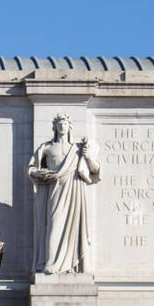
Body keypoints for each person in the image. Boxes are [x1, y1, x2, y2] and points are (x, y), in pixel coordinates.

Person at [28, 113, 101, 274]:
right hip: (54, 189)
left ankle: (71, 266)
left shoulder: (78, 148)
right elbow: (32, 169)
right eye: (59, 124)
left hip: (74, 189)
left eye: (65, 124)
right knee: (53, 224)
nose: (62, 126)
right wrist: (41, 174)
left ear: (70, 127)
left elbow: (95, 169)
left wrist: (88, 157)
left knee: (74, 227)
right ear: (54, 127)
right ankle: (52, 262)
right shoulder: (46, 147)